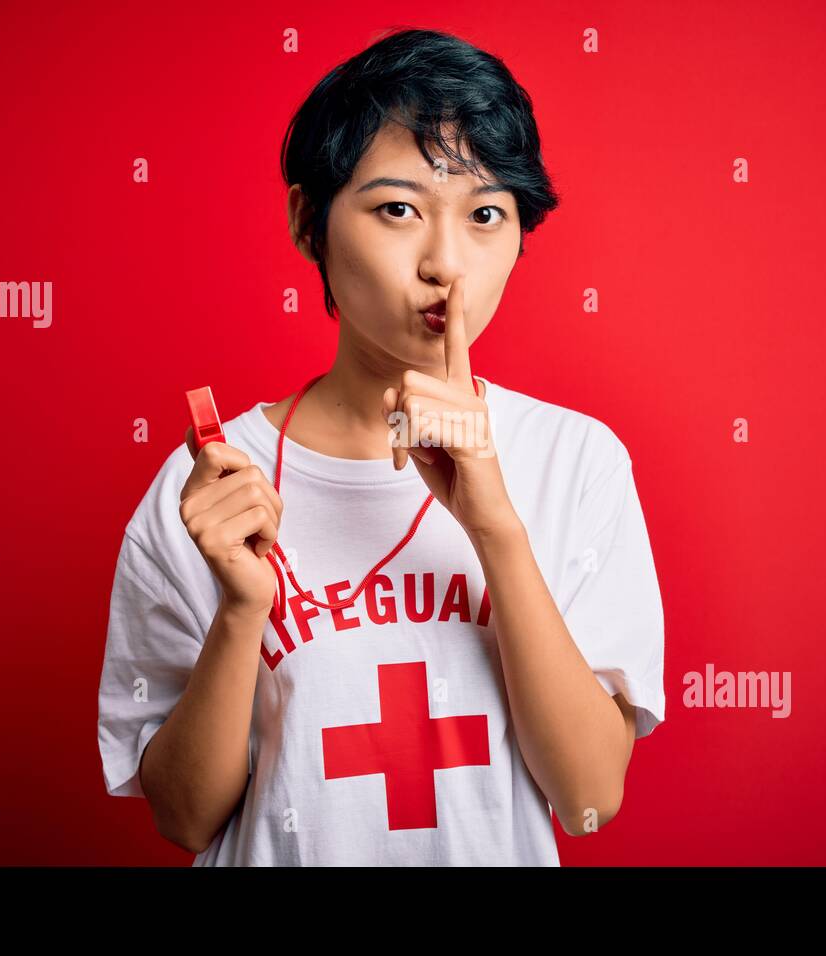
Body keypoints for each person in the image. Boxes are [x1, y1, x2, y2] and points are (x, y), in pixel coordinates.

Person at [97, 27, 665, 865]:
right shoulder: (212, 487)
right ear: (307, 221)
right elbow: (185, 818)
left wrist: (496, 526)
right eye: (397, 209)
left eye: (484, 215)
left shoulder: (577, 462)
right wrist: (241, 611)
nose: (445, 263)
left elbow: (587, 799)